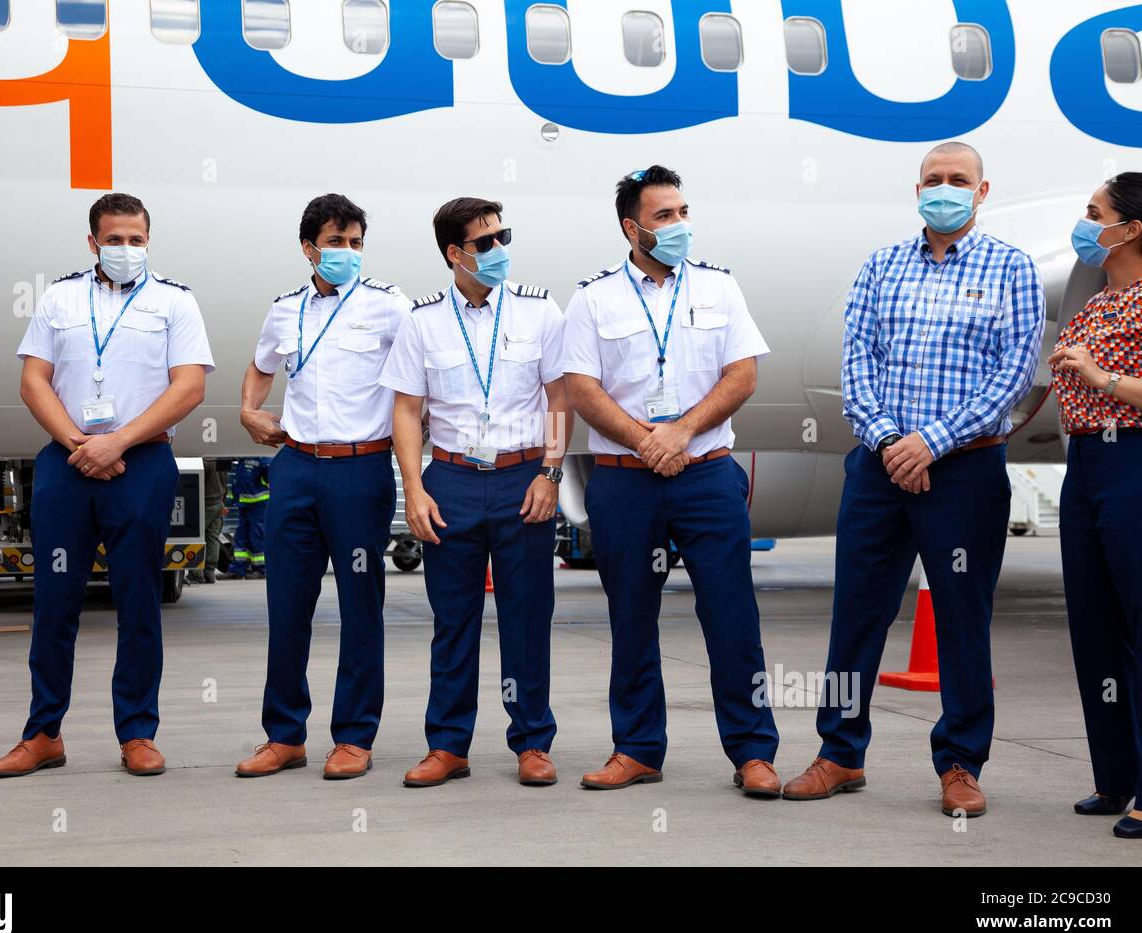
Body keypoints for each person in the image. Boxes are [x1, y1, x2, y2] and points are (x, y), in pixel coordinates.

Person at [783, 143, 1044, 816]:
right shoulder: (882, 265)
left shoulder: (1011, 268)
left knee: (963, 620)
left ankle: (960, 763)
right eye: (934, 180)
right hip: (879, 464)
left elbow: (1013, 374)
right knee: (856, 616)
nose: (945, 189)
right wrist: (893, 440)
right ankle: (839, 754)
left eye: (959, 181)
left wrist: (935, 441)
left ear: (982, 192)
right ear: (917, 189)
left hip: (965, 468)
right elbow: (858, 360)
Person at [562, 165, 779, 794]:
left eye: (683, 212)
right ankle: (636, 750)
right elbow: (582, 387)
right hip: (625, 482)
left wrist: (680, 433)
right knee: (631, 618)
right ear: (633, 228)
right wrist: (646, 441)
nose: (680, 225)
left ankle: (753, 752)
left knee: (733, 615)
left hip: (706, 476)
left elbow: (742, 375)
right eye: (664, 216)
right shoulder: (593, 298)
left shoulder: (719, 289)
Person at [0, 192, 213, 778]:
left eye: (137, 239)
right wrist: (79, 444)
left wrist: (119, 442)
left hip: (141, 464)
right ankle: (42, 734)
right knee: (54, 602)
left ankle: (137, 733)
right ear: (93, 242)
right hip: (68, 462)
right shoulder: (60, 296)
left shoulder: (175, 302)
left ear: (149, 241)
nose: (126, 249)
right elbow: (34, 380)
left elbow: (188, 387)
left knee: (139, 600)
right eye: (115, 239)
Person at [380, 196, 573, 787]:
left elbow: (560, 399)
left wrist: (550, 472)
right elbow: (407, 411)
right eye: (485, 243)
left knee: (527, 617)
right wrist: (413, 490)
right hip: (453, 481)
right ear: (453, 254)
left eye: (502, 237)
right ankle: (447, 745)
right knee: (453, 621)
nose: (498, 251)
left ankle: (532, 742)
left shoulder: (541, 312)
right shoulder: (422, 320)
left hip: (523, 481)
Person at [235, 194, 408, 780]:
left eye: (356, 243)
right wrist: (248, 410)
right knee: (286, 607)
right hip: (295, 467)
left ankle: (354, 736)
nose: (348, 253)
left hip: (359, 472)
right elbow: (261, 366)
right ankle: (283, 735)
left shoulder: (390, 307)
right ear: (309, 248)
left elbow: (419, 379)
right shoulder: (285, 310)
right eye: (337, 243)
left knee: (361, 607)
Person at [1050, 171, 1142, 838]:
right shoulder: (1095, 303)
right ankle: (1114, 773)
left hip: (1141, 460)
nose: (1086, 223)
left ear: (1131, 228)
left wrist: (1101, 376)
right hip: (1087, 463)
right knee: (1094, 626)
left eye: (1095, 213)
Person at [223, 455, 269, 579]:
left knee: (256, 537)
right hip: (244, 505)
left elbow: (270, 479)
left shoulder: (263, 459)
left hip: (259, 506)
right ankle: (237, 569)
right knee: (241, 537)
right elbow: (239, 482)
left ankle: (261, 569)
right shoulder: (243, 458)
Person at [187, 458, 224, 584]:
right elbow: (225, 480)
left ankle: (196, 574)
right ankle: (209, 573)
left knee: (195, 536)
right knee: (212, 537)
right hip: (217, 501)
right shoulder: (218, 458)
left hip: (203, 503)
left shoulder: (201, 461)